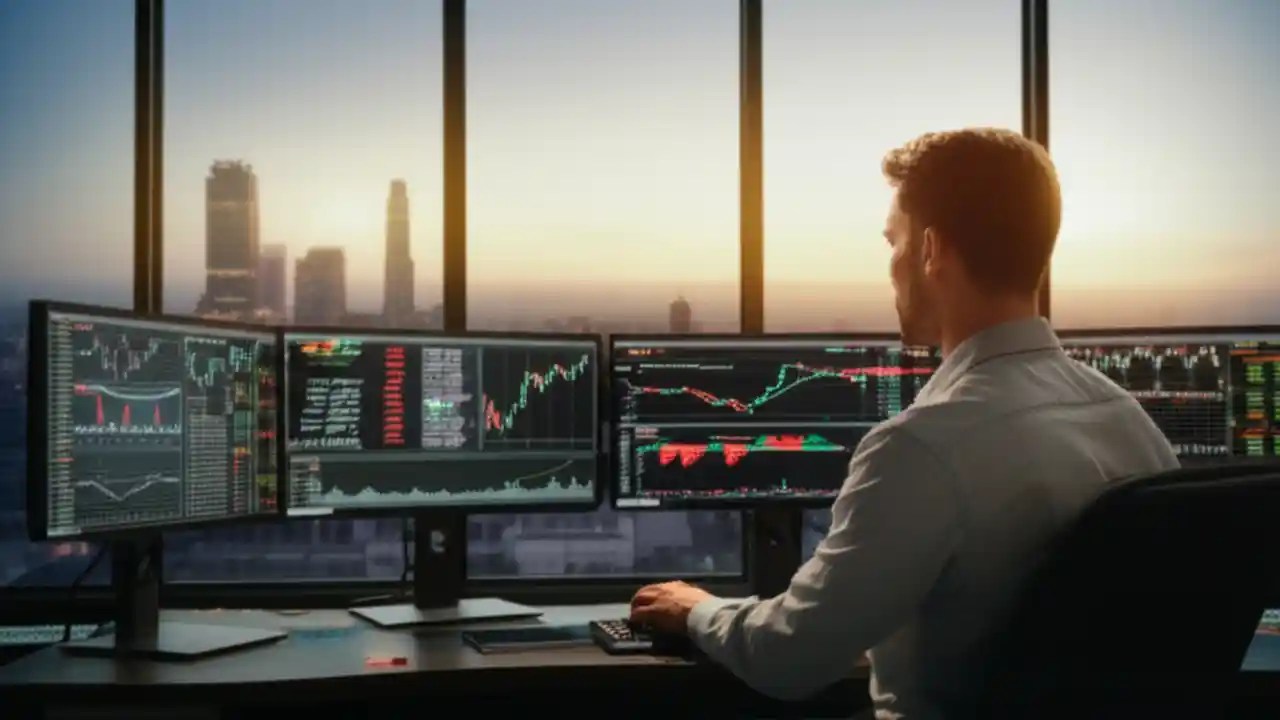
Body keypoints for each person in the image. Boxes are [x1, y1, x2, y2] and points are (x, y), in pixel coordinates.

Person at [628, 127, 1180, 718]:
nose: (890, 265)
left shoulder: (920, 448)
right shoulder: (1129, 423)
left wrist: (696, 609)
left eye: (894, 241)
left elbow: (789, 656)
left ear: (931, 250)